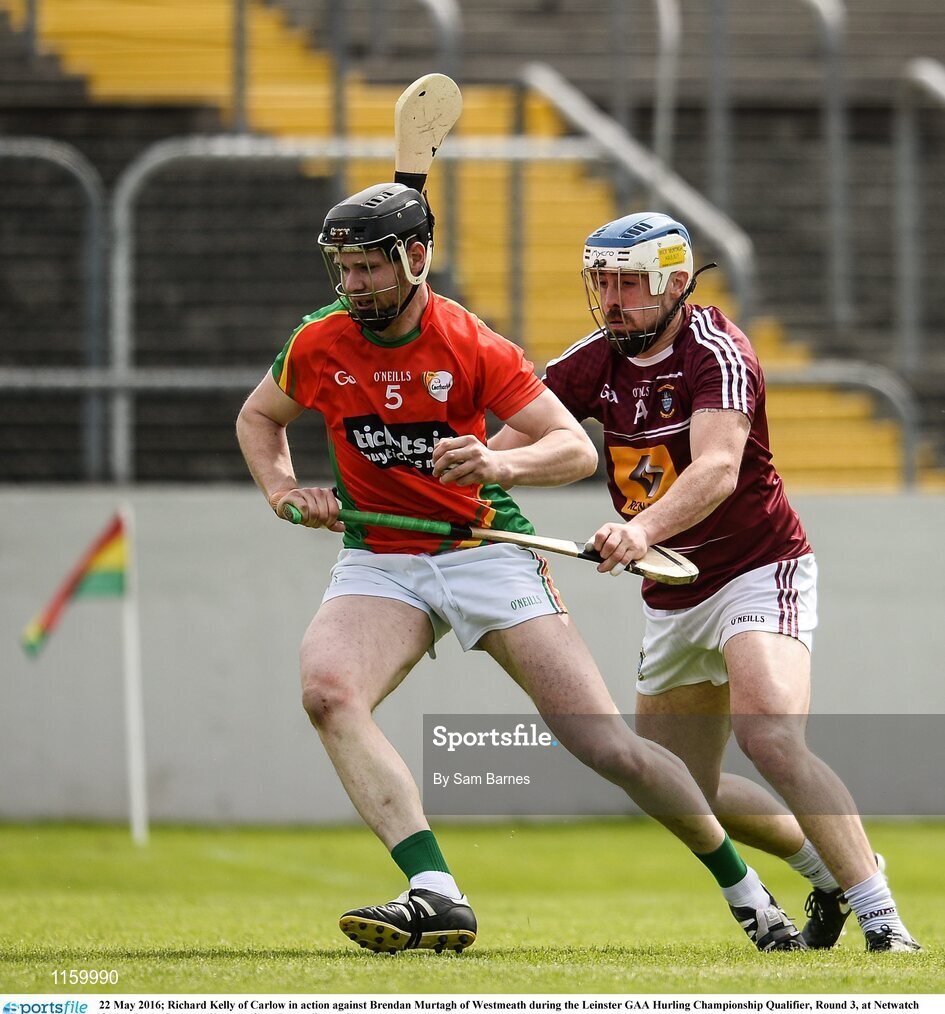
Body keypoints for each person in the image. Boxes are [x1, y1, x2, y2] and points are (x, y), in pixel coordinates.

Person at [236, 182, 809, 954]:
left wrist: (492, 466)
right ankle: (433, 889)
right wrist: (282, 491)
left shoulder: (469, 342)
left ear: (414, 259)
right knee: (329, 694)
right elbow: (260, 417)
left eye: (368, 268)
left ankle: (749, 895)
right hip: (380, 555)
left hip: (485, 552)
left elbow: (571, 447)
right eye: (342, 269)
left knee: (608, 749)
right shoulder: (318, 339)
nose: (352, 286)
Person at [491, 211, 921, 953]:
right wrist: (468, 476)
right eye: (604, 282)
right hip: (672, 594)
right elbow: (511, 441)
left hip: (756, 569)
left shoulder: (714, 351)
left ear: (675, 282)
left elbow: (718, 469)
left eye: (630, 283)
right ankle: (828, 867)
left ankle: (884, 922)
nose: (614, 299)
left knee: (770, 736)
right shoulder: (595, 357)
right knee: (675, 782)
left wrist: (638, 530)